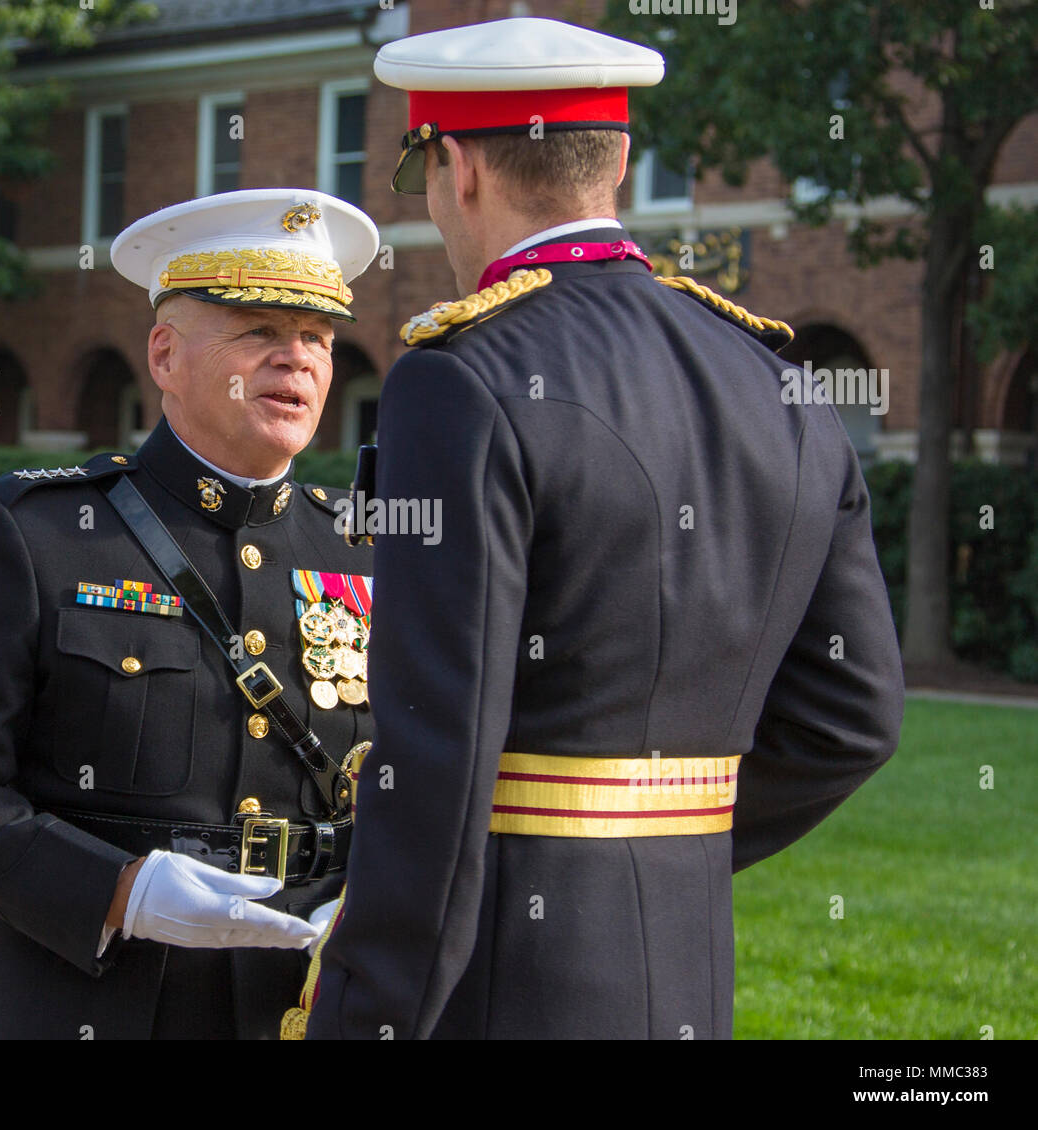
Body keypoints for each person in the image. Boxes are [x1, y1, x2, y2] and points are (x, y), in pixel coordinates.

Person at [301, 19, 904, 1040]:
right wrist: (652, 847)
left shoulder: (460, 379)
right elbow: (852, 716)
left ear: (457, 166)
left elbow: (436, 764)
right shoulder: (781, 382)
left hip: (497, 985)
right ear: (617, 159)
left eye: (424, 169)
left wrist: (360, 1018)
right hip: (681, 967)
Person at [0, 188, 379, 1039]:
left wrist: (373, 900)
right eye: (259, 332)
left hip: (302, 1000)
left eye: (319, 340)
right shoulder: (44, 533)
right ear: (165, 353)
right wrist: (119, 892)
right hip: (102, 999)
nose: (298, 362)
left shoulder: (362, 550)